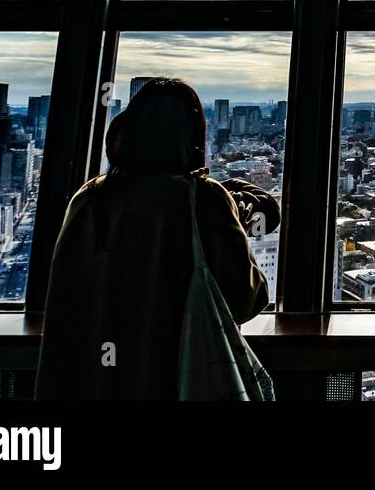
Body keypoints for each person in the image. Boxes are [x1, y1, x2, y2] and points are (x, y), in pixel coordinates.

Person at [35, 78, 279, 400]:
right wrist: (236, 221)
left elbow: (64, 297)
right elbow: (247, 299)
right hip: (177, 378)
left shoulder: (89, 198)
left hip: (91, 382)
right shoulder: (202, 200)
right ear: (192, 136)